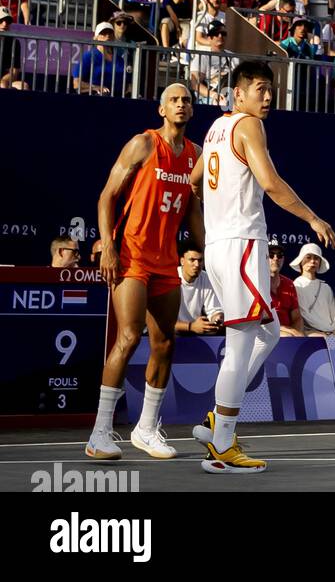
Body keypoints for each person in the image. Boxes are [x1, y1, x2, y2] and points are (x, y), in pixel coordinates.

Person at [189, 60, 335, 473]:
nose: (267, 96)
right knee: (239, 344)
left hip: (221, 245)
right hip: (239, 244)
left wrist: (214, 216)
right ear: (239, 93)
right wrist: (312, 217)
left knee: (268, 332)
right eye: (258, 88)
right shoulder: (249, 125)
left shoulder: (216, 127)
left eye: (270, 89)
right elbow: (270, 183)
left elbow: (195, 178)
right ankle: (223, 443)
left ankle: (219, 417)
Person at [86, 83, 202, 461]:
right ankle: (100, 433)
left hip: (166, 261)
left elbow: (193, 215)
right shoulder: (144, 144)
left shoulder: (195, 156)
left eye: (186, 100)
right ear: (162, 110)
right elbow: (107, 196)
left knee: (165, 343)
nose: (181, 105)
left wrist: (210, 252)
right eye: (174, 100)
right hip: (132, 257)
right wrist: (108, 245)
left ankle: (147, 429)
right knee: (129, 337)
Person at [290, 243, 335, 337]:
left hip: (331, 329)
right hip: (309, 331)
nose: (312, 261)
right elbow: (302, 314)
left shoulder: (326, 287)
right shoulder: (296, 285)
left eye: (316, 258)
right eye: (308, 257)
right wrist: (323, 330)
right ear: (301, 261)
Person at [175, 242, 224, 336]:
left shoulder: (206, 277)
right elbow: (161, 323)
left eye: (200, 260)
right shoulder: (170, 277)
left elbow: (214, 310)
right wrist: (191, 326)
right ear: (182, 261)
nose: (197, 264)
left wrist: (217, 319)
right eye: (192, 260)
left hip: (195, 332)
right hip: (171, 334)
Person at [268, 244, 305, 336]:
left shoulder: (289, 284)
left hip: (288, 333)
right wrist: (287, 330)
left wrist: (297, 334)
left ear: (283, 259)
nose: (276, 258)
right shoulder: (256, 283)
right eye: (271, 255)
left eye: (279, 255)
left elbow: (296, 318)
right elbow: (258, 321)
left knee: (318, 338)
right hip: (263, 333)